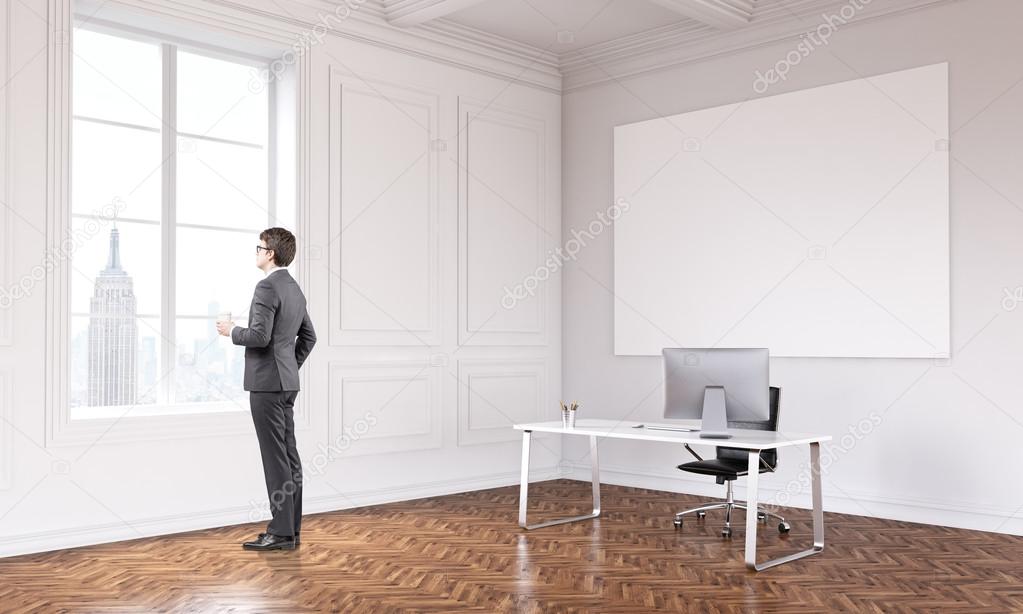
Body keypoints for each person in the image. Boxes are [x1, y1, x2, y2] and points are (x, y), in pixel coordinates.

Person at [217, 227, 316, 551]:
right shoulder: (295, 289)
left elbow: (259, 337)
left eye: (258, 247)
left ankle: (281, 532)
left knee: (275, 459)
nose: (256, 252)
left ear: (270, 253)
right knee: (289, 456)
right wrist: (288, 367)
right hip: (287, 384)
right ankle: (291, 529)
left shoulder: (267, 287)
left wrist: (231, 330)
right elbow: (309, 337)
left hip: (267, 386)